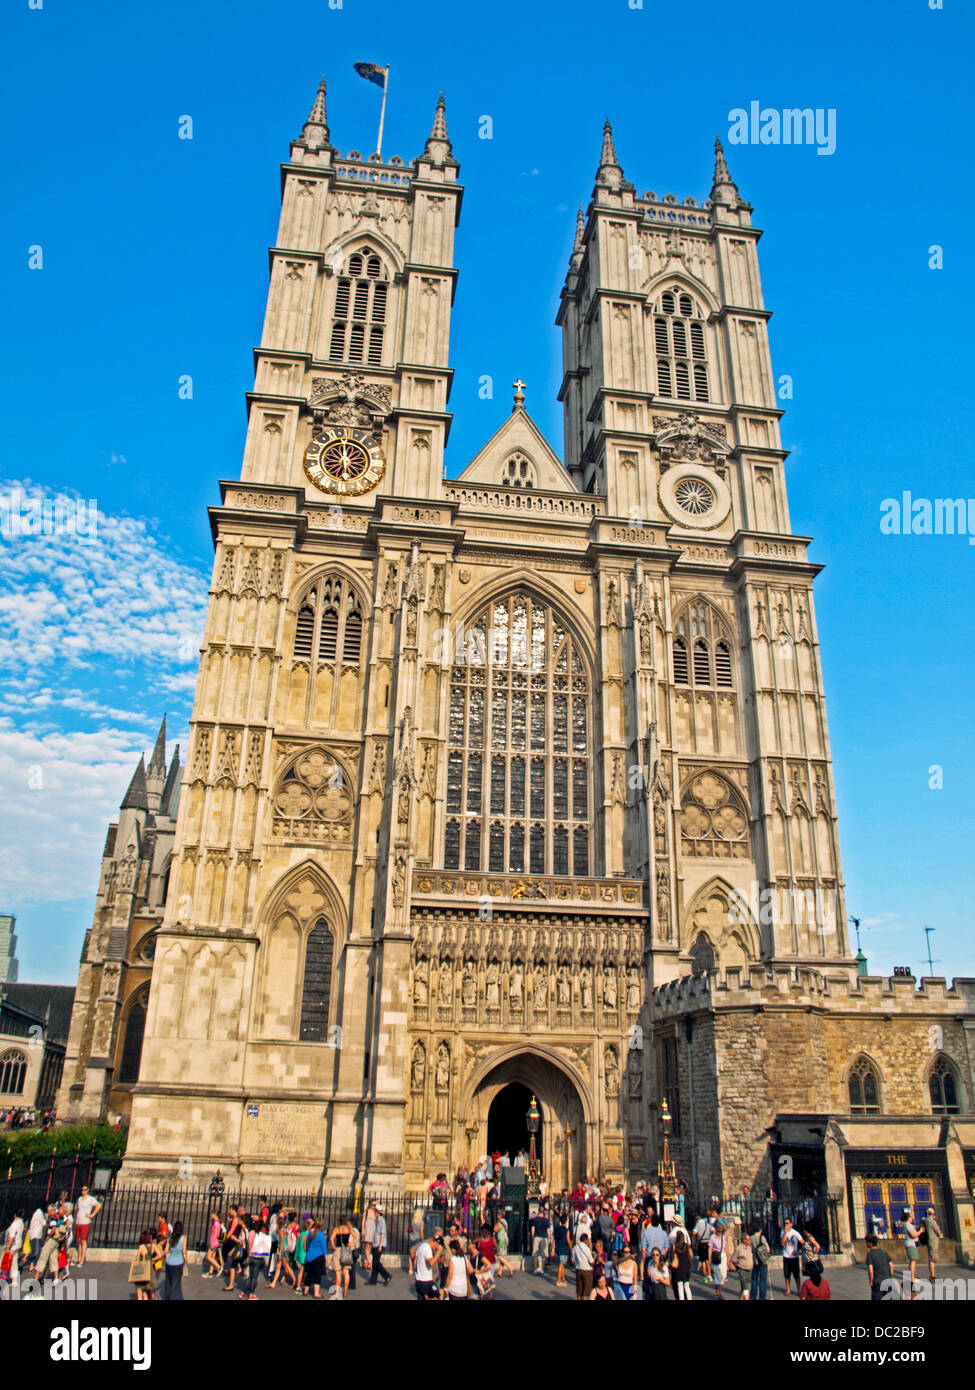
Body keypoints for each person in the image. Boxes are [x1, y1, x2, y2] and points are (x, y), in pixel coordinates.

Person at [239, 1220, 270, 1300]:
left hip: (250, 1256)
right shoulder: (260, 1235)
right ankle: (251, 1294)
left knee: (250, 1276)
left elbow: (248, 1244)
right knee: (254, 1277)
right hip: (258, 1257)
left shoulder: (251, 1233)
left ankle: (243, 1292)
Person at [329, 1214, 357, 1300]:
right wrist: (352, 1244)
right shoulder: (348, 1229)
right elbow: (356, 1237)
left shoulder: (337, 1229)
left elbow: (331, 1239)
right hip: (346, 1251)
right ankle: (345, 1291)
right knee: (346, 1272)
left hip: (338, 1251)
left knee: (338, 1273)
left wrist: (333, 1246)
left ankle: (337, 1292)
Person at [73, 1186, 102, 1267]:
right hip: (78, 1220)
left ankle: (82, 1259)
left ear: (88, 1190)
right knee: (78, 1240)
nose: (83, 1191)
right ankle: (78, 1258)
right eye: (82, 1189)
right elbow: (77, 1208)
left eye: (85, 1189)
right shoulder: (79, 1199)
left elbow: (98, 1205)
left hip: (85, 1221)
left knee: (83, 1240)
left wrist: (91, 1215)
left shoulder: (90, 1199)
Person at [302, 1220, 328, 1299]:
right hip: (318, 1257)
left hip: (310, 1256)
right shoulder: (321, 1235)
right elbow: (324, 1248)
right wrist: (326, 1257)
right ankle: (316, 1293)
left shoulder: (310, 1233)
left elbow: (307, 1244)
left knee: (309, 1274)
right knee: (317, 1275)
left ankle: (306, 1290)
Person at [367, 1205, 392, 1286]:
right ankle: (373, 1280)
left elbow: (382, 1233)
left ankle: (387, 1276)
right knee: (374, 1263)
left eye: (376, 1212)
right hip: (375, 1243)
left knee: (376, 1262)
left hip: (379, 1244)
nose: (375, 1213)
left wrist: (380, 1245)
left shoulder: (382, 1221)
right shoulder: (377, 1220)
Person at [865, 1233, 894, 1300]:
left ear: (870, 1243)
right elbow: (891, 1266)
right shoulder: (883, 1252)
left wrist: (871, 1281)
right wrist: (890, 1276)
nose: (866, 1243)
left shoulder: (870, 1254)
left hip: (877, 1282)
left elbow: (871, 1270)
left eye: (866, 1242)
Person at [414, 1230, 441, 1301]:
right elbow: (431, 1263)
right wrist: (438, 1253)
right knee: (435, 1296)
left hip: (420, 1280)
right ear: (435, 1242)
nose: (437, 1248)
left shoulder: (422, 1246)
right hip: (425, 1281)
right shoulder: (428, 1249)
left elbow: (415, 1261)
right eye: (438, 1245)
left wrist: (417, 1273)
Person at [164, 1219, 187, 1300]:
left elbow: (166, 1251)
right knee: (176, 1284)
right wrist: (186, 1261)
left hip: (169, 1262)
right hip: (178, 1263)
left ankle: (168, 1296)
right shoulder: (183, 1238)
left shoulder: (170, 1238)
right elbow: (184, 1252)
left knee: (169, 1283)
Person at [781, 1217, 802, 1296]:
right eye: (785, 1223)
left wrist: (799, 1251)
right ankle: (788, 1289)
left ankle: (798, 1290)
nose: (786, 1225)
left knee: (796, 1275)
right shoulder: (783, 1232)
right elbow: (782, 1243)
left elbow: (802, 1242)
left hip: (794, 1256)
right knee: (787, 1275)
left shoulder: (795, 1233)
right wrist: (785, 1234)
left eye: (787, 1223)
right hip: (786, 1255)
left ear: (791, 1224)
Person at [901, 1208, 920, 1297]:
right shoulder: (908, 1225)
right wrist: (921, 1231)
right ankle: (912, 1277)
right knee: (913, 1260)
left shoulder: (907, 1225)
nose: (912, 1218)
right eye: (911, 1216)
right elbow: (913, 1235)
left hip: (910, 1244)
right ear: (908, 1218)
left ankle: (911, 1276)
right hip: (911, 1244)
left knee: (912, 1260)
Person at [749, 1224, 771, 1301]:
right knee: (762, 1280)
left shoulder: (750, 1238)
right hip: (762, 1261)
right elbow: (768, 1249)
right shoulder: (762, 1238)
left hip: (754, 1261)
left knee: (754, 1280)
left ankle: (753, 1296)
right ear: (760, 1230)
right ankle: (762, 1297)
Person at [670, 1229, 692, 1300]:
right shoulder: (686, 1245)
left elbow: (672, 1256)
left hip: (679, 1267)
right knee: (687, 1285)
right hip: (686, 1265)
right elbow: (689, 1255)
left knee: (680, 1286)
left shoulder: (674, 1245)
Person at [529, 1206, 551, 1277]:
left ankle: (535, 1270)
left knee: (535, 1255)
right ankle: (542, 1270)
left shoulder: (535, 1220)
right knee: (543, 1255)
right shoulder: (546, 1220)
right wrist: (549, 1239)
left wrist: (532, 1238)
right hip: (544, 1237)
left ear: (538, 1211)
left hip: (536, 1237)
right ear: (543, 1212)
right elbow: (548, 1231)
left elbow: (532, 1230)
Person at [133, 1229, 155, 1301]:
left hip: (141, 1272)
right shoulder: (152, 1246)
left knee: (139, 1292)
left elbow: (137, 1259)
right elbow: (161, 1254)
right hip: (148, 1271)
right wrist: (153, 1260)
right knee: (145, 1292)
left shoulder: (141, 1247)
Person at [572, 1230, 594, 1301]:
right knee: (586, 1291)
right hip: (587, 1270)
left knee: (579, 1290)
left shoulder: (575, 1247)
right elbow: (592, 1261)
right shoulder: (586, 1248)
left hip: (578, 1269)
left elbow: (572, 1260)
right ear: (585, 1240)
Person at [709, 1219, 729, 1299]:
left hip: (723, 1256)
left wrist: (728, 1259)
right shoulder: (712, 1237)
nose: (720, 1232)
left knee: (723, 1275)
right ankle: (719, 1293)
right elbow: (710, 1248)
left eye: (721, 1231)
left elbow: (725, 1248)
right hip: (715, 1256)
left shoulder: (723, 1237)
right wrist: (709, 1258)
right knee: (717, 1275)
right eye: (718, 1230)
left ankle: (718, 1286)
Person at [693, 1209, 714, 1281]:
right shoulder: (709, 1223)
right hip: (708, 1242)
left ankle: (705, 1276)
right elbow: (713, 1230)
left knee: (702, 1260)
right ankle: (710, 1275)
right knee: (708, 1259)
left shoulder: (699, 1224)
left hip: (701, 1243)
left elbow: (694, 1233)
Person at [922, 1207, 943, 1281]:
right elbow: (938, 1232)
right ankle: (932, 1276)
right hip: (933, 1242)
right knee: (933, 1259)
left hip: (929, 1241)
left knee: (931, 1258)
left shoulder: (925, 1221)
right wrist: (939, 1229)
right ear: (933, 1214)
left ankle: (932, 1275)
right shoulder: (932, 1221)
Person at [733, 1228, 753, 1299]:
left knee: (744, 1286)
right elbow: (734, 1260)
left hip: (749, 1269)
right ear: (744, 1240)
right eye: (748, 1240)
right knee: (745, 1288)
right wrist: (738, 1268)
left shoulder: (750, 1248)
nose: (749, 1241)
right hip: (742, 1269)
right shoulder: (738, 1248)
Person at [202, 1210, 224, 1278]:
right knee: (212, 1257)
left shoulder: (216, 1223)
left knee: (209, 1257)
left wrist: (212, 1243)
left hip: (214, 1243)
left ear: (215, 1214)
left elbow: (215, 1234)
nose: (211, 1215)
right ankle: (210, 1272)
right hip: (215, 1242)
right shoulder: (217, 1222)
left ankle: (219, 1268)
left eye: (212, 1214)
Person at [493, 1212, 515, 1278]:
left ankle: (510, 1267)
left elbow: (495, 1229)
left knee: (499, 1256)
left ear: (500, 1215)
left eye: (498, 1214)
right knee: (502, 1256)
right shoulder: (505, 1221)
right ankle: (500, 1271)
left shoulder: (500, 1222)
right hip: (505, 1239)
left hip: (502, 1240)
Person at [552, 1213, 571, 1287]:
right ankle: (558, 1280)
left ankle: (563, 1278)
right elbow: (568, 1240)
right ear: (566, 1221)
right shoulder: (566, 1230)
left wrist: (553, 1249)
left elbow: (554, 1239)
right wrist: (571, 1249)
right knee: (561, 1264)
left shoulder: (556, 1229)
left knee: (562, 1264)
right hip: (564, 1248)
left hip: (558, 1247)